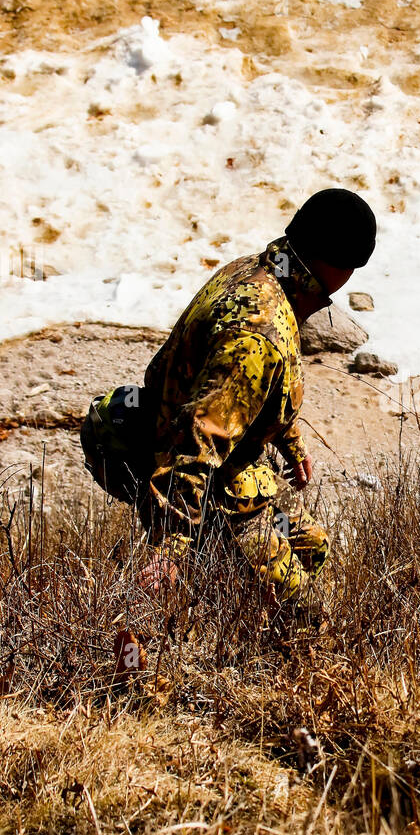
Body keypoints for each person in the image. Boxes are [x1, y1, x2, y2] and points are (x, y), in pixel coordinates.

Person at [80, 189, 376, 601]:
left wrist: (290, 443)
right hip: (218, 492)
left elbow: (255, 392)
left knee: (312, 547)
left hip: (239, 471)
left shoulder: (257, 270)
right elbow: (198, 434)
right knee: (303, 610)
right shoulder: (258, 333)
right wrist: (171, 549)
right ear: (342, 266)